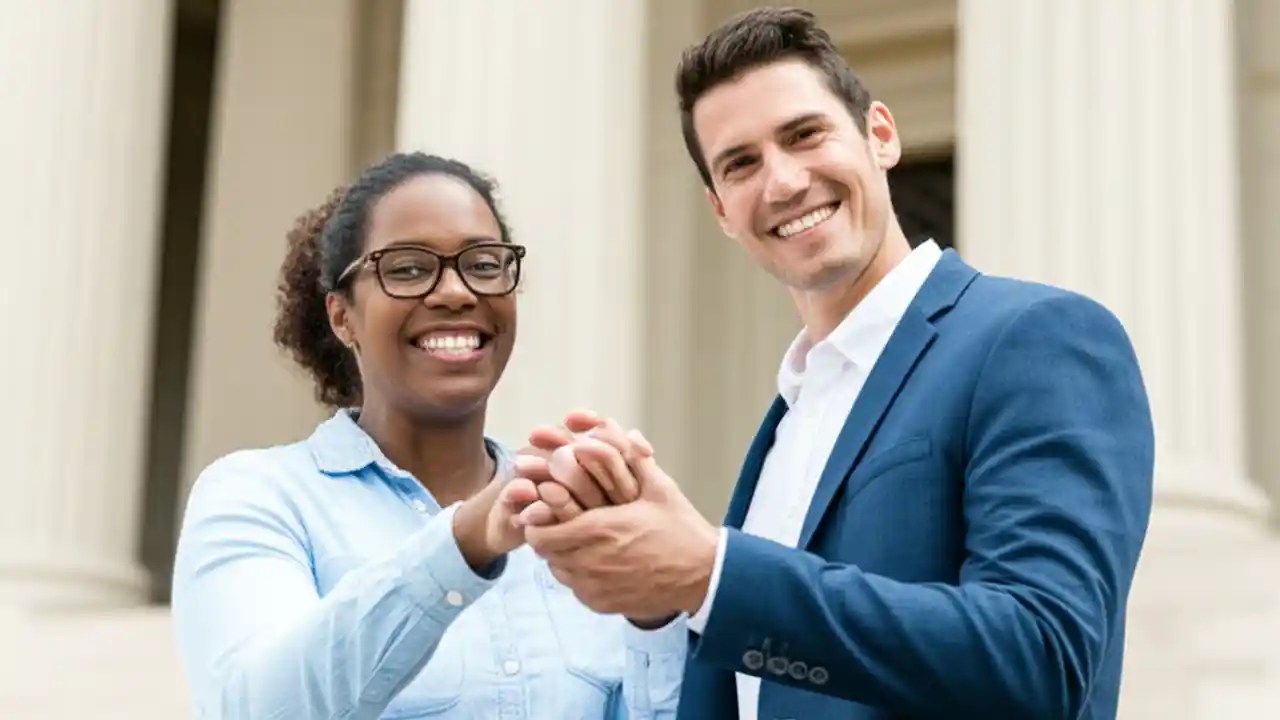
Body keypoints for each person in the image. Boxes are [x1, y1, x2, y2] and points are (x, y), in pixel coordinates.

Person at [514, 7, 1155, 720]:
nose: (783, 182)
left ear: (880, 134)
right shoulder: (791, 415)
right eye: (741, 164)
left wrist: (709, 572)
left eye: (804, 134)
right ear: (721, 210)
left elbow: (1044, 658)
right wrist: (660, 604)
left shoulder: (1036, 338)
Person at [170, 151, 685, 719]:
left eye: (485, 264)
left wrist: (654, 607)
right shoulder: (261, 497)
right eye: (408, 268)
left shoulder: (572, 514)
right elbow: (257, 708)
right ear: (343, 317)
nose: (457, 292)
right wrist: (462, 543)